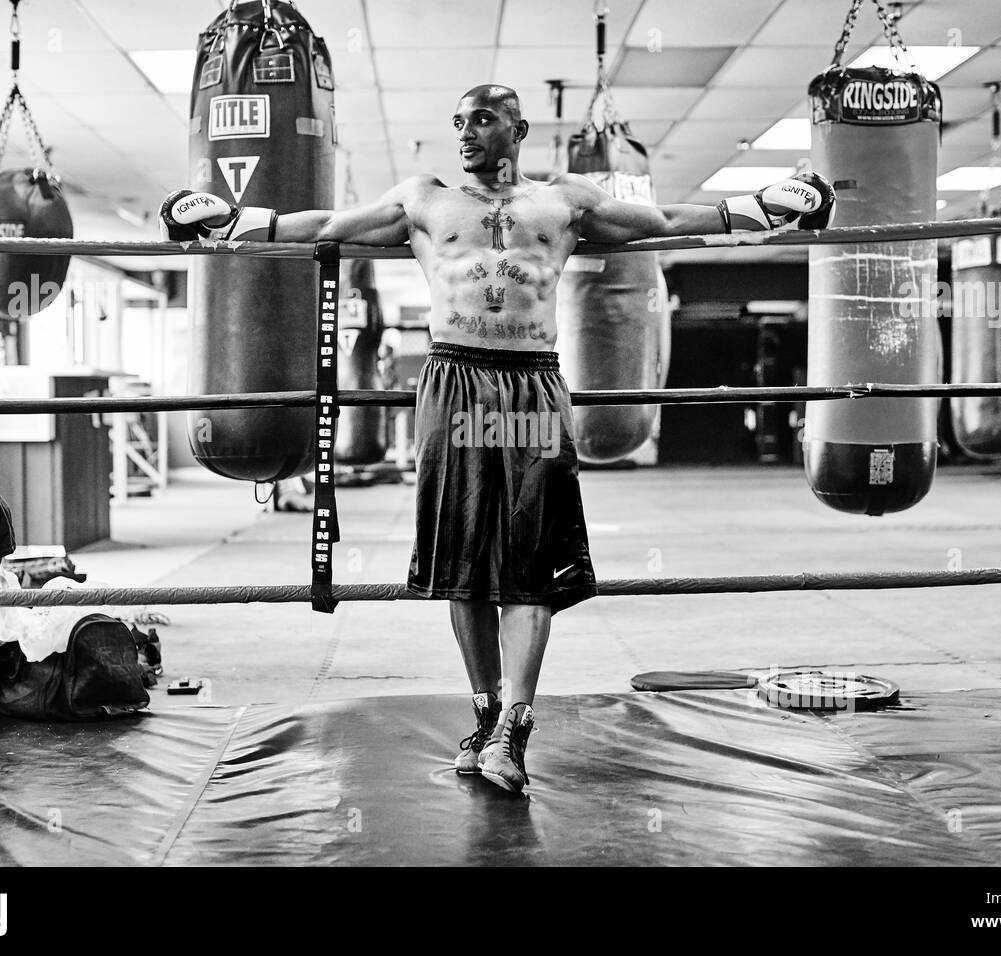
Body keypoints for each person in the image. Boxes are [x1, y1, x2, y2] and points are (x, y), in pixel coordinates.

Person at [160, 84, 835, 795]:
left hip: (533, 385)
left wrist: (762, 208)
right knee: (462, 562)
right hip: (453, 383)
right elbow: (327, 223)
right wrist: (235, 223)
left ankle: (516, 721)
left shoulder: (564, 203)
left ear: (518, 127)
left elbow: (663, 219)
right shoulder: (424, 200)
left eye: (483, 120)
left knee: (527, 561)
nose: (467, 132)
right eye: (458, 121)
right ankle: (483, 711)